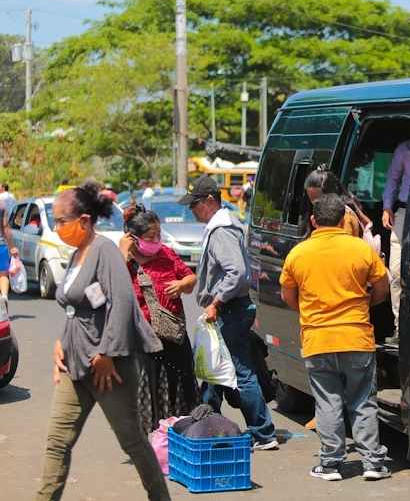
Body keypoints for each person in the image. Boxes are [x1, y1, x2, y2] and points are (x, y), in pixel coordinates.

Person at [37, 181, 170, 501]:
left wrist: (107, 352)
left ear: (84, 220)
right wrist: (61, 342)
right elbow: (77, 308)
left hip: (109, 368)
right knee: (57, 442)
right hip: (74, 365)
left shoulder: (104, 250)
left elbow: (121, 302)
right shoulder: (76, 256)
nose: (58, 228)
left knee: (132, 441)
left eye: (62, 221)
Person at [280, 194, 391, 481]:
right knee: (363, 401)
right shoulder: (361, 249)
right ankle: (373, 463)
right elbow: (382, 288)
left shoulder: (298, 253)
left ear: (313, 220)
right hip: (356, 336)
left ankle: (330, 465)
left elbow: (288, 296)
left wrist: (310, 312)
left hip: (317, 339)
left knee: (327, 402)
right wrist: (366, 303)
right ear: (344, 220)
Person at [178, 175, 279, 450]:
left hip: (230, 310)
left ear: (210, 201)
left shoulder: (222, 230)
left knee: (241, 373)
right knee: (214, 372)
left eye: (195, 204)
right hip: (228, 309)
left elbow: (237, 273)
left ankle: (263, 433)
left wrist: (216, 302)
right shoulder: (222, 226)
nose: (192, 210)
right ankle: (205, 424)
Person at [119, 204, 198, 433]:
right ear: (133, 238)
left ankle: (179, 435)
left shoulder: (166, 253)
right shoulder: (124, 261)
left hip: (173, 338)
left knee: (178, 388)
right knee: (150, 390)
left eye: (158, 235)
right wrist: (123, 252)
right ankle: (152, 439)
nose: (156, 240)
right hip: (144, 341)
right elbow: (112, 288)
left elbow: (190, 279)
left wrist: (181, 284)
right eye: (150, 237)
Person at [381, 139, 410, 344]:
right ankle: (399, 328)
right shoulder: (403, 149)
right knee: (396, 273)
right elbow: (392, 180)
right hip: (403, 211)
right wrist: (387, 207)